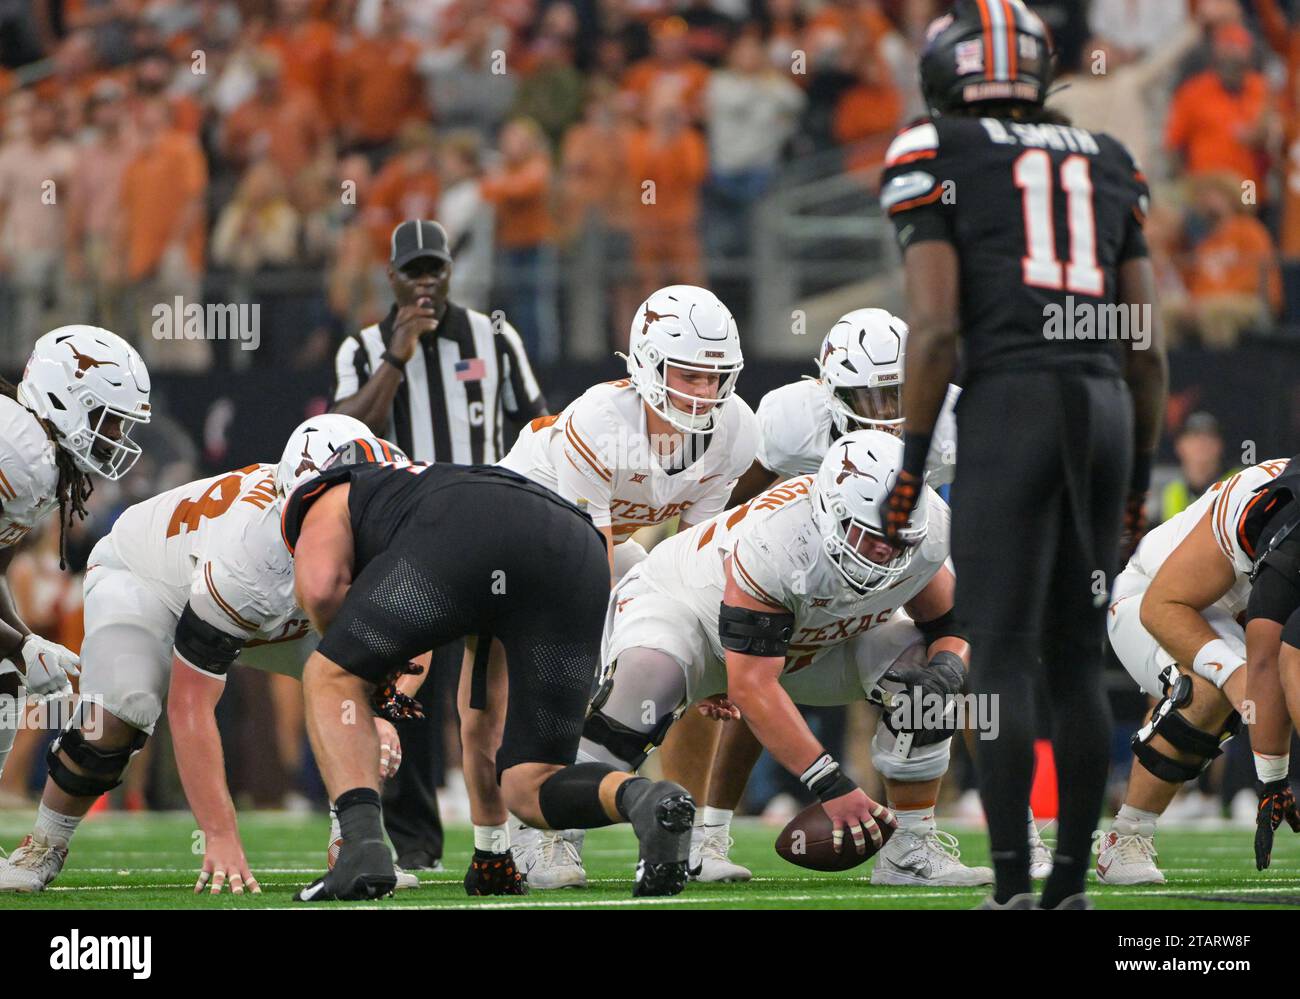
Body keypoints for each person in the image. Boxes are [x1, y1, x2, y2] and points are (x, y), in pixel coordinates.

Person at [877, 0, 1167, 909]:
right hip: (1106, 406)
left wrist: (911, 467)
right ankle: (1070, 887)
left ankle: (1010, 887)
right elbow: (1146, 345)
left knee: (999, 654)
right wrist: (1137, 472)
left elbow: (933, 330)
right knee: (1078, 658)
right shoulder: (1110, 160)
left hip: (1013, 398)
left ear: (943, 76)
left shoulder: (933, 150)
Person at [0, 415, 418, 895]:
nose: (361, 520)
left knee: (360, 686)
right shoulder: (246, 554)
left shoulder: (386, 526)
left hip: (277, 599)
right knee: (125, 708)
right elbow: (190, 703)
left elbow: (415, 635)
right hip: (149, 579)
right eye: (342, 508)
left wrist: (385, 708)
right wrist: (218, 835)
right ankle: (44, 843)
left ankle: (354, 841)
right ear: (299, 504)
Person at [576, 429, 993, 887]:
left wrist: (949, 668)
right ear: (830, 512)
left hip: (808, 639)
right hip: (687, 610)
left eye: (899, 539)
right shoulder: (777, 543)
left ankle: (910, 847)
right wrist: (832, 786)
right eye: (869, 535)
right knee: (637, 700)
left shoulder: (928, 529)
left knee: (924, 676)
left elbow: (950, 626)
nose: (884, 551)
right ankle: (551, 836)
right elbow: (752, 687)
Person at [282, 444, 699, 900]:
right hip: (576, 549)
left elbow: (321, 593)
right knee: (530, 784)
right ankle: (646, 800)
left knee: (326, 676)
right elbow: (480, 719)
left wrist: (359, 670)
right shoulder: (428, 492)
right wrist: (491, 854)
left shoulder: (328, 493)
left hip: (470, 533)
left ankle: (360, 851)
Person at [498, 283, 758, 888]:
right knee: (571, 658)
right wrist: (630, 647)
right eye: (688, 374)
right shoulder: (599, 419)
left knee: (693, 641)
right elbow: (580, 563)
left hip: (610, 544)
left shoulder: (735, 430)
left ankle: (690, 835)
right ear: (645, 363)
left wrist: (698, 657)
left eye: (715, 377)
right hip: (525, 540)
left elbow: (692, 559)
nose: (703, 392)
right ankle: (539, 836)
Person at [331, 218, 546, 871]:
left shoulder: (495, 337)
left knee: (505, 691)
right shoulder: (364, 349)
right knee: (407, 698)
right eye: (412, 271)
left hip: (488, 534)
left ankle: (529, 826)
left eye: (435, 269)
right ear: (390, 277)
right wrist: (398, 354)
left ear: (450, 272)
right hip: (407, 541)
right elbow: (344, 438)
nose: (425, 282)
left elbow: (536, 426)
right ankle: (417, 844)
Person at [1098, 456, 1290, 884]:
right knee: (1208, 689)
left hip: (1234, 618)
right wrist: (1234, 677)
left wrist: (1274, 779)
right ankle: (1128, 837)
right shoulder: (1253, 506)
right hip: (1153, 596)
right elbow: (1162, 606)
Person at [0, 326, 151, 830]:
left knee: (5, 678)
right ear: (66, 400)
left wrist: (23, 641)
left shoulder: (40, 457)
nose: (115, 438)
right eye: (108, 421)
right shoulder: (20, 452)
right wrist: (21, 647)